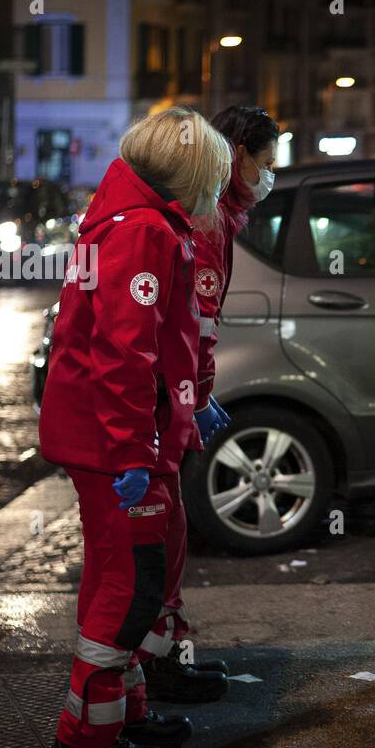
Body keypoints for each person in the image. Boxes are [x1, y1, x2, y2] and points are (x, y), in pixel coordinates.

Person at [39, 107, 231, 748]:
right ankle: (85, 741)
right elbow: (124, 355)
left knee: (121, 577)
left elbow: (138, 343)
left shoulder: (117, 217)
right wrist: (132, 453)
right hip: (119, 445)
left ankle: (121, 714)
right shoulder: (145, 230)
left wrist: (187, 405)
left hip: (113, 438)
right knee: (129, 587)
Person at [140, 106, 280, 702]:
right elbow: (191, 324)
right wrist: (193, 392)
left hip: (166, 402)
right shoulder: (208, 221)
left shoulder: (211, 216)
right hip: (157, 409)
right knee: (158, 537)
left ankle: (160, 655)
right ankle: (150, 666)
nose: (268, 175)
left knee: (167, 533)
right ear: (238, 154)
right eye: (266, 162)